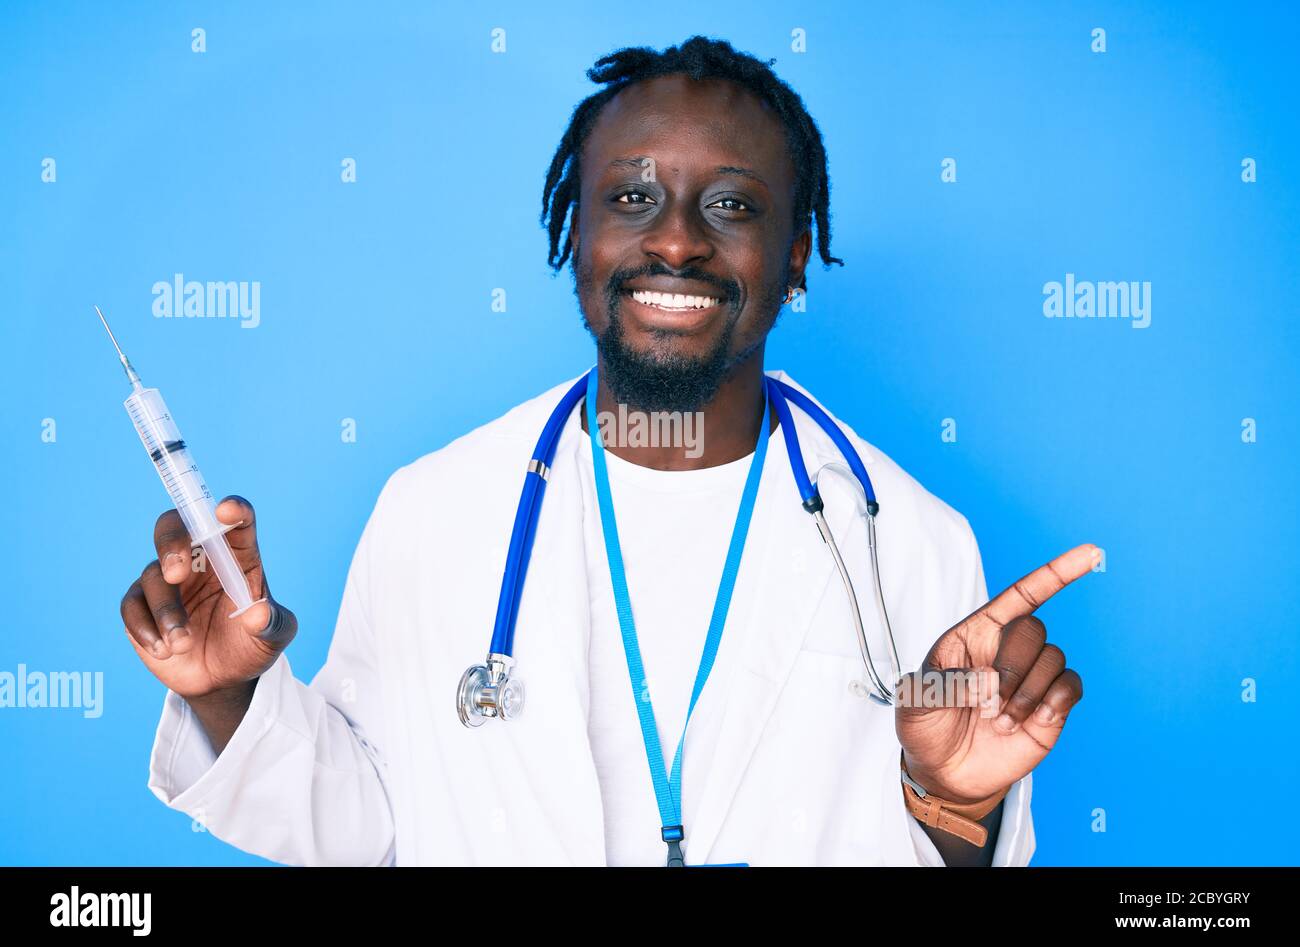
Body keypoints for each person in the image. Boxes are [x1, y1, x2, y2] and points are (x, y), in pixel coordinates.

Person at [120, 36, 1090, 866]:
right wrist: (227, 691)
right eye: (629, 197)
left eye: (733, 206)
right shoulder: (433, 511)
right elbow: (368, 825)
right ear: (573, 231)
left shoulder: (911, 538)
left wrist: (952, 804)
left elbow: (945, 837)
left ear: (796, 251)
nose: (674, 242)